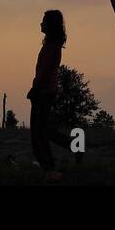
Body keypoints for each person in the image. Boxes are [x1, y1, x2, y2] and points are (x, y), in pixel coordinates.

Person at [27, 10, 68, 180]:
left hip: (43, 92)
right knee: (46, 130)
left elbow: (45, 71)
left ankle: (50, 168)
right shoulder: (51, 46)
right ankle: (76, 147)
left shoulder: (52, 47)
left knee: (38, 134)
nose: (41, 23)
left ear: (50, 25)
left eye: (44, 21)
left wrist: (35, 88)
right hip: (45, 91)